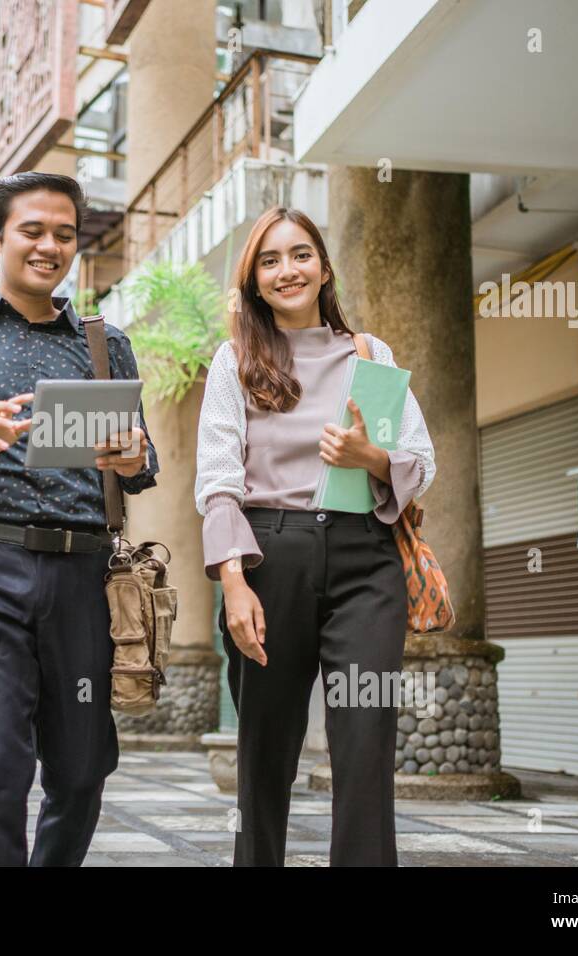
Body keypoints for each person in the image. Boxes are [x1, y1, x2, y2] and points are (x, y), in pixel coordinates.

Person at [0, 171, 160, 866]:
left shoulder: (106, 345)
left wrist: (131, 457)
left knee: (81, 770)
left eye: (64, 234)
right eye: (32, 231)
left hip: (83, 575)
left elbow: (146, 463)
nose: (49, 246)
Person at [194, 206, 435, 866]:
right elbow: (217, 477)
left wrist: (371, 458)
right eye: (269, 261)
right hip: (269, 561)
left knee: (366, 745)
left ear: (323, 268)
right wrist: (234, 584)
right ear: (254, 281)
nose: (286, 270)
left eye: (299, 254)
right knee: (265, 754)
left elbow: (420, 457)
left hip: (366, 564)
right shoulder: (234, 360)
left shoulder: (369, 352)